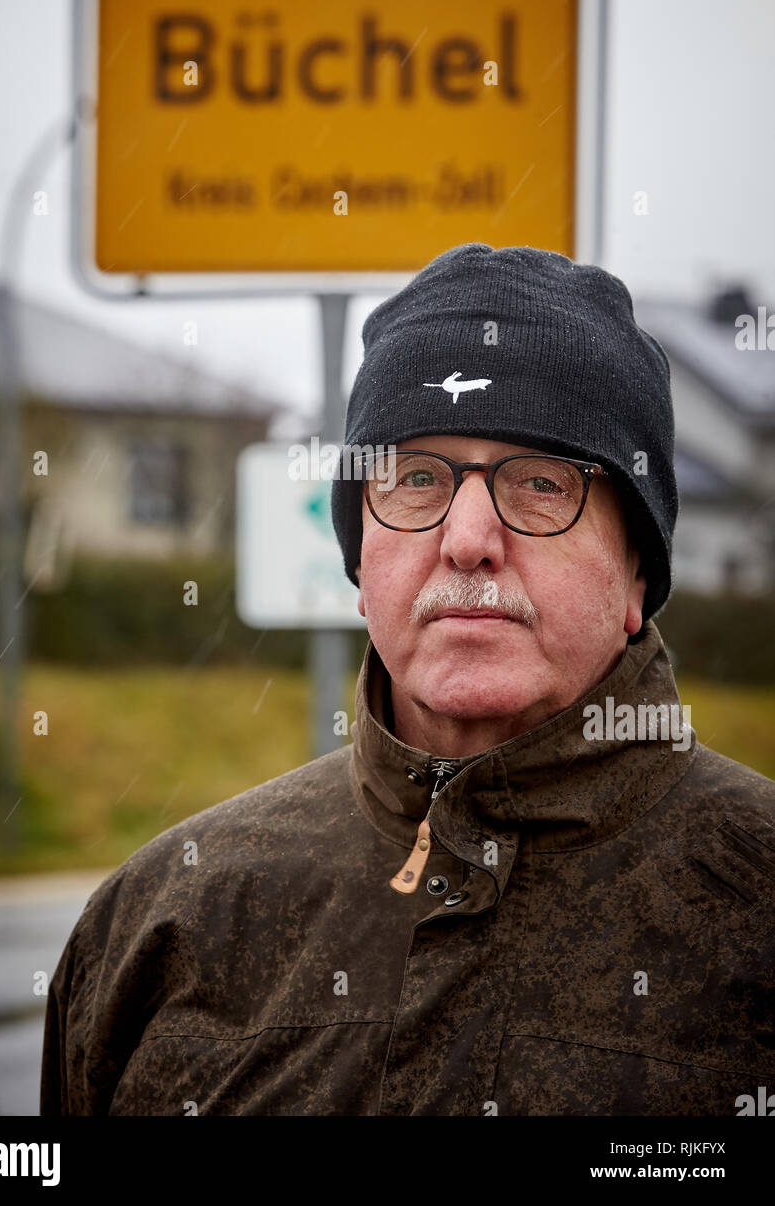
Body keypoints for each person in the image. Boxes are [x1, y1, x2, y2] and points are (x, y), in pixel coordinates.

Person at [40, 243, 775, 1116]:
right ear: (361, 563)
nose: (467, 538)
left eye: (541, 483)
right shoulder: (158, 930)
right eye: (417, 478)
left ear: (637, 575)